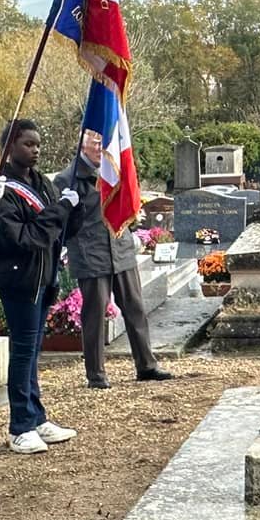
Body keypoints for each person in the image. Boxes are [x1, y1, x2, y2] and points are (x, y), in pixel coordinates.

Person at [0, 118, 82, 454]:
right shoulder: (3, 191)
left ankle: (36, 416)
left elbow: (61, 229)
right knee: (22, 352)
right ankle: (19, 425)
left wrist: (73, 208)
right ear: (10, 148)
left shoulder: (42, 182)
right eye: (28, 144)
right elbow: (28, 237)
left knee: (34, 351)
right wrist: (61, 209)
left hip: (44, 278)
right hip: (20, 280)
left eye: (38, 144)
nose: (35, 150)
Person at [56, 129, 174, 389]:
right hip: (91, 253)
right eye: (95, 143)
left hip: (119, 247)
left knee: (135, 307)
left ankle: (146, 365)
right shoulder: (68, 179)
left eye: (102, 142)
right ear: (82, 145)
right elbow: (63, 223)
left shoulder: (113, 168)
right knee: (95, 313)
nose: (100, 148)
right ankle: (96, 374)